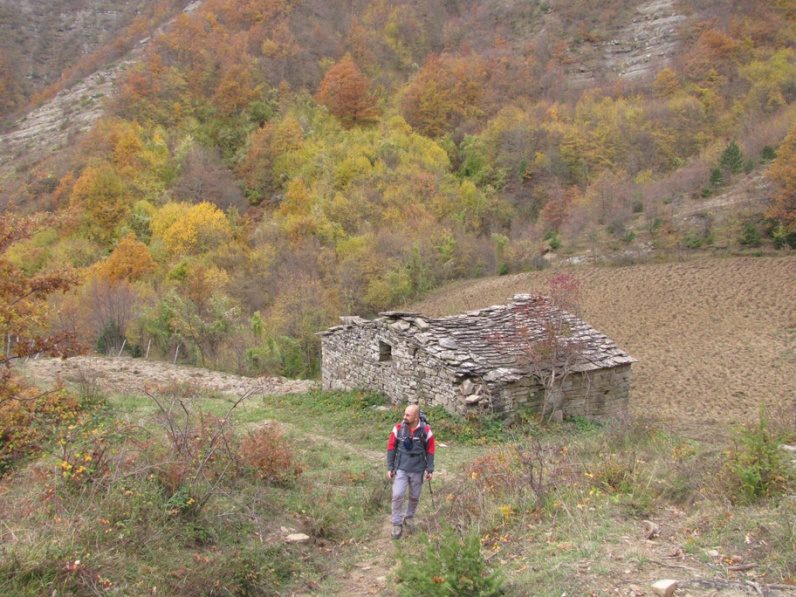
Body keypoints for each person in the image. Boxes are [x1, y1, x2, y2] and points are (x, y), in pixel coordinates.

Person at [386, 404, 435, 540]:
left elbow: (430, 450)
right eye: (405, 414)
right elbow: (391, 448)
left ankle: (409, 518)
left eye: (408, 415)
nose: (404, 417)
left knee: (414, 496)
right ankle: (396, 524)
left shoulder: (425, 430)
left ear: (416, 417)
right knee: (397, 495)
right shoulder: (398, 429)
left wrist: (429, 469)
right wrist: (390, 467)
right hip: (401, 467)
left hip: (418, 469)